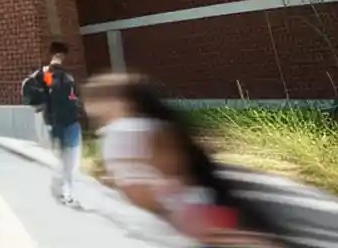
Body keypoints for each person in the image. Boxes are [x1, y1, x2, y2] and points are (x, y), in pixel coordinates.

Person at [83, 74, 283, 247]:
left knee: (241, 238)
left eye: (92, 99)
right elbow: (173, 170)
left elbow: (145, 182)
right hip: (188, 209)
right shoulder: (147, 127)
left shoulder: (124, 132)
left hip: (181, 215)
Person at [22, 41, 83, 207]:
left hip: (71, 121)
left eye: (62, 56)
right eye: (58, 56)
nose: (61, 59)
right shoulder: (47, 74)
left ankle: (67, 193)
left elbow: (73, 94)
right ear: (52, 56)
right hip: (56, 123)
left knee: (70, 161)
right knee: (63, 160)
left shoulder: (68, 76)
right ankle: (61, 191)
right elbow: (38, 88)